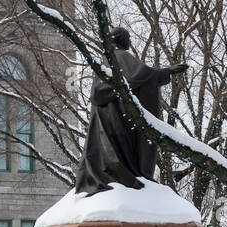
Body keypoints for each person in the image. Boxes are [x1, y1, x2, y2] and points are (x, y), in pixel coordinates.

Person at [74, 27, 187, 194]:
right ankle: (126, 176)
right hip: (117, 118)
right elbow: (139, 76)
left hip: (106, 118)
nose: (131, 42)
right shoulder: (121, 56)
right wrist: (167, 71)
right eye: (128, 38)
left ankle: (117, 174)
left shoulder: (106, 60)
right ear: (121, 39)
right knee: (124, 152)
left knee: (115, 151)